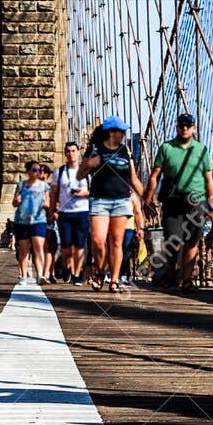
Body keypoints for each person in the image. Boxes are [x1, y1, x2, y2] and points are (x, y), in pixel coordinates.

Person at [143, 111, 213, 291]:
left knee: (192, 240)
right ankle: (171, 270)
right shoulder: (166, 148)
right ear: (177, 127)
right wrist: (147, 200)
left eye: (188, 125)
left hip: (197, 199)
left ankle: (187, 280)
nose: (184, 128)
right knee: (172, 240)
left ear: (193, 128)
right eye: (181, 125)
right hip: (172, 199)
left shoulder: (202, 150)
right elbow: (155, 176)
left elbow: (209, 180)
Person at [78, 115, 145, 295]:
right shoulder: (94, 149)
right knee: (98, 240)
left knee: (116, 241)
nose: (123, 134)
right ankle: (100, 271)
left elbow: (133, 178)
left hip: (121, 199)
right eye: (120, 131)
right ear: (110, 132)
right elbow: (80, 174)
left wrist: (147, 196)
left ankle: (113, 280)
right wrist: (89, 164)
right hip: (99, 199)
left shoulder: (125, 151)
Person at [49, 141, 91, 283]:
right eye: (68, 151)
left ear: (78, 152)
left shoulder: (87, 172)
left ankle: (76, 274)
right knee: (66, 246)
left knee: (79, 245)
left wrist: (85, 193)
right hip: (65, 213)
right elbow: (54, 193)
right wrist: (51, 211)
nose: (71, 154)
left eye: (73, 151)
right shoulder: (59, 172)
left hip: (82, 212)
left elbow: (95, 192)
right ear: (65, 153)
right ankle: (67, 267)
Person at [11, 162, 50, 281]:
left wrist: (44, 203)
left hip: (39, 220)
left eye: (39, 170)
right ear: (28, 171)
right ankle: (23, 276)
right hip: (22, 221)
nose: (37, 172)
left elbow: (48, 203)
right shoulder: (21, 185)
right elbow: (14, 203)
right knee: (24, 250)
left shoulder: (44, 186)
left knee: (38, 247)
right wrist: (17, 200)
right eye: (34, 170)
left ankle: (40, 275)